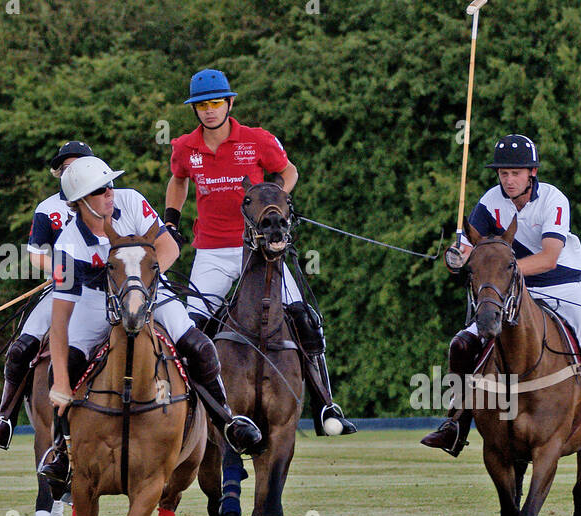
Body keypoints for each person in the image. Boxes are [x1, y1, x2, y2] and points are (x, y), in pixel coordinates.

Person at [35, 155, 263, 491]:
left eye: (109, 185)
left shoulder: (131, 201)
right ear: (80, 202)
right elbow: (59, 320)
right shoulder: (68, 246)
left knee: (197, 345)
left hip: (149, 288)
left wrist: (143, 286)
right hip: (94, 302)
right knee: (62, 367)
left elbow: (168, 249)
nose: (110, 194)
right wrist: (62, 385)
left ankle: (227, 421)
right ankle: (62, 453)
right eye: (100, 191)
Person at [421, 134, 581, 456]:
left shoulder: (554, 200)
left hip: (561, 286)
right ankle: (456, 422)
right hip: (513, 292)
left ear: (532, 172)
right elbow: (471, 250)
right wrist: (456, 257)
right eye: (503, 173)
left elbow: (548, 258)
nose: (509, 180)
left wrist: (503, 272)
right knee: (461, 345)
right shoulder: (489, 202)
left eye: (516, 173)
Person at [164, 68, 356, 436]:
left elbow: (288, 171)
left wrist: (276, 204)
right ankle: (188, 410)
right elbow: (178, 179)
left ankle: (325, 404)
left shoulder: (257, 140)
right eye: (202, 105)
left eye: (216, 103)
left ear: (230, 103)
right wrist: (171, 221)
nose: (209, 111)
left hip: (260, 252)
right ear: (195, 109)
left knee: (304, 317)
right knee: (188, 328)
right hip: (212, 252)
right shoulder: (185, 147)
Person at [0, 140, 94, 449]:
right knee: (19, 350)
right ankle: (5, 419)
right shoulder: (47, 209)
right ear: (58, 173)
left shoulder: (107, 200)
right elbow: (35, 254)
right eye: (66, 168)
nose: (72, 173)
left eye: (79, 167)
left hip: (102, 292)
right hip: (62, 289)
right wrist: (61, 270)